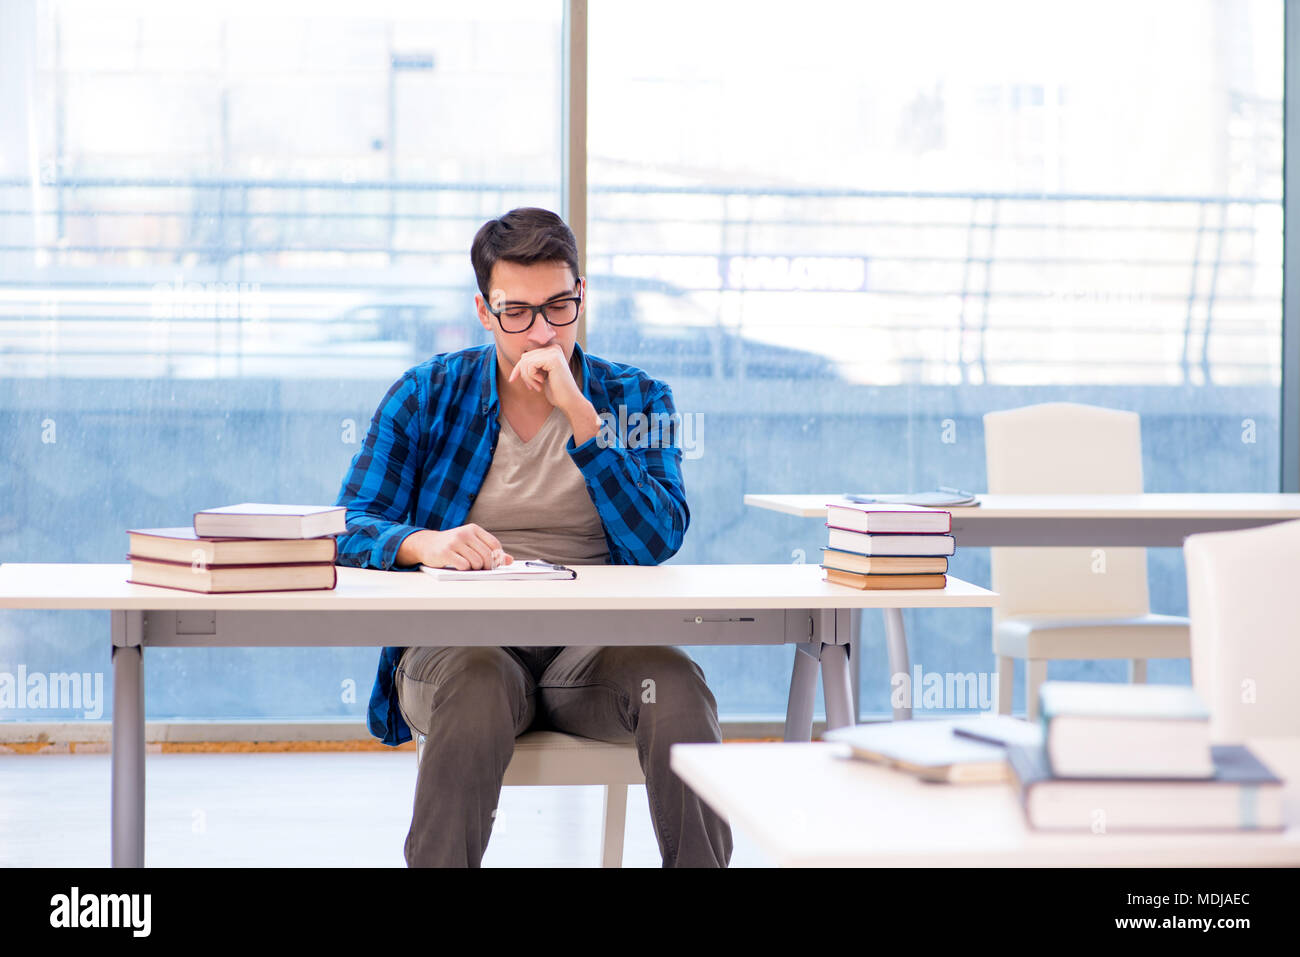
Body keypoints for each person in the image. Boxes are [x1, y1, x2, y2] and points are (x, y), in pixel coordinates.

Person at [334, 207, 733, 867]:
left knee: (677, 685)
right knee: (478, 679)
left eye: (559, 306)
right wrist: (423, 544)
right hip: (463, 647)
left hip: (593, 651)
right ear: (484, 312)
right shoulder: (427, 393)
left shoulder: (637, 397)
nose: (542, 331)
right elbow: (349, 522)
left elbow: (659, 535)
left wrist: (580, 412)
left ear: (583, 295)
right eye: (516, 312)